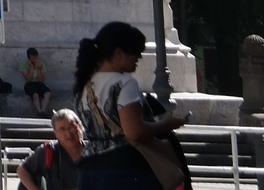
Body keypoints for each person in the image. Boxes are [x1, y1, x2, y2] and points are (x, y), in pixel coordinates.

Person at [73, 21, 189, 190]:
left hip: (88, 169)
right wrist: (167, 124)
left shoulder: (84, 85)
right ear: (119, 53)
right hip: (124, 169)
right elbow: (134, 132)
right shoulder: (124, 83)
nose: (139, 58)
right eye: (136, 52)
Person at [18, 110, 85, 190]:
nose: (68, 133)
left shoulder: (93, 152)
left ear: (80, 127)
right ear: (55, 133)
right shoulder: (48, 151)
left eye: (71, 127)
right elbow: (22, 170)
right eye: (62, 129)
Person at [22, 47, 53, 115]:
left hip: (39, 83)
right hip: (29, 84)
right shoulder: (24, 65)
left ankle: (43, 110)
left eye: (35, 58)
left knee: (47, 93)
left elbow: (42, 80)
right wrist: (32, 67)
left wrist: (38, 69)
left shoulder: (41, 65)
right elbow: (28, 79)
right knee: (35, 95)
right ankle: (39, 111)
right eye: (33, 58)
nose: (35, 60)